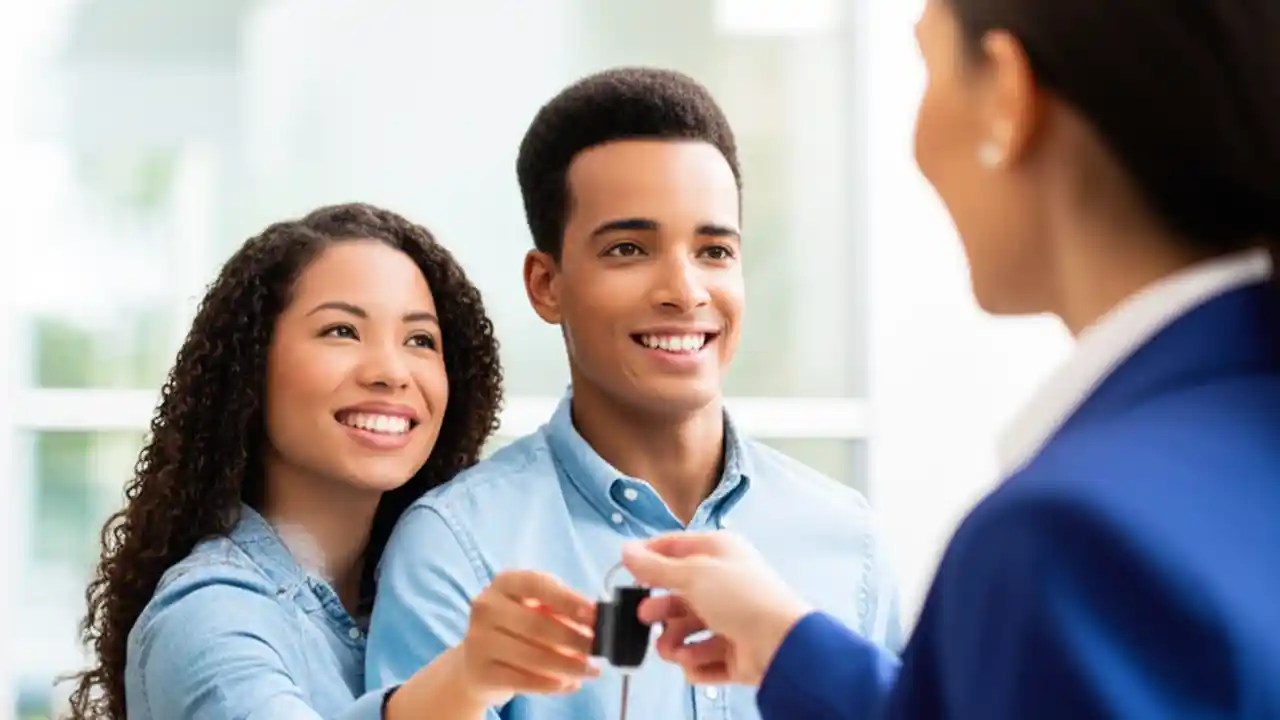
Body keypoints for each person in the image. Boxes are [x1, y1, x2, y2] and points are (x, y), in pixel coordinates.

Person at [622, 0, 1280, 717]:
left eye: (927, 68)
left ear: (1006, 94)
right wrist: (792, 649)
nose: (915, 143)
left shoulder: (1068, 544)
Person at [365, 67, 902, 719]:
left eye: (714, 251)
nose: (684, 291)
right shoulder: (456, 548)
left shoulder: (849, 540)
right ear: (546, 285)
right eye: (628, 248)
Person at [67, 203, 599, 720]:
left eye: (419, 340)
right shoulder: (205, 618)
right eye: (341, 331)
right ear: (251, 367)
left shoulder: (426, 589)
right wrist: (464, 681)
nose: (391, 371)